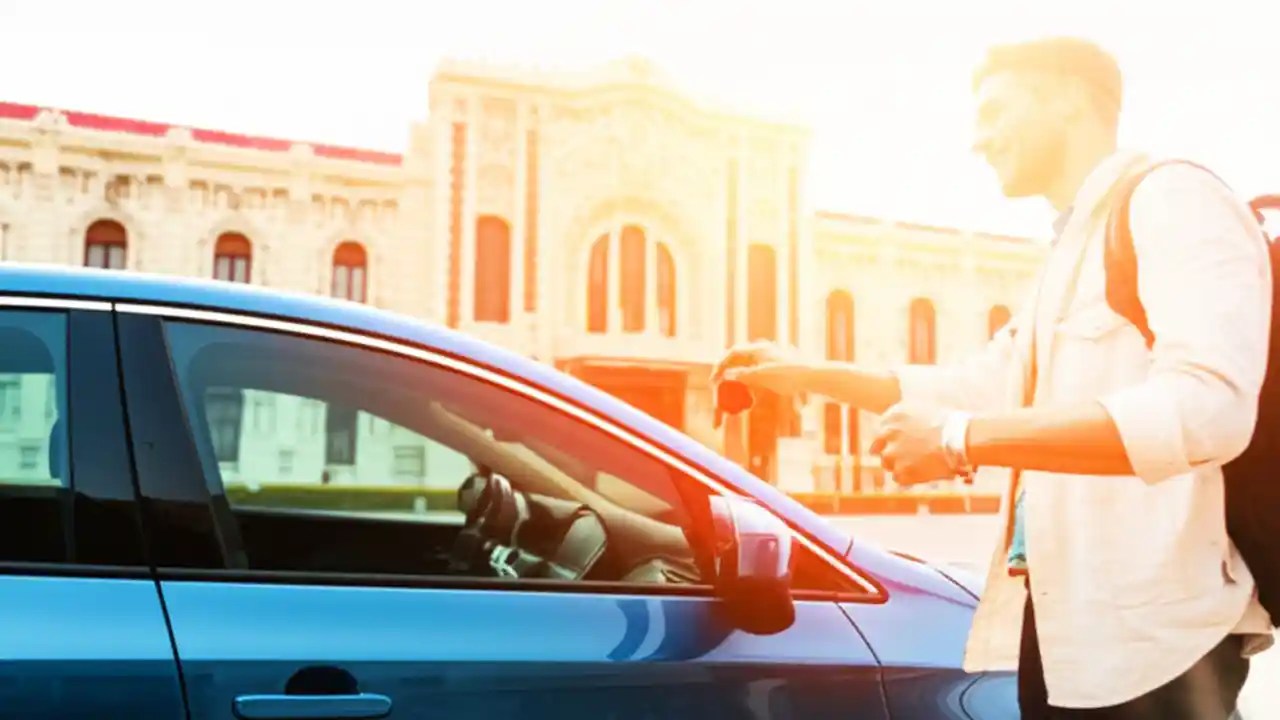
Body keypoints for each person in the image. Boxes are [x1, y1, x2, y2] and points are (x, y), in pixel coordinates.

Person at [711, 36, 1272, 718]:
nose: (980, 141)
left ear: (1066, 99)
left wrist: (956, 441)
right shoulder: (1072, 248)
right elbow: (979, 386)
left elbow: (1207, 409)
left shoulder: (1174, 199)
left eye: (996, 112)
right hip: (1071, 633)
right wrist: (804, 375)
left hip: (1158, 643)